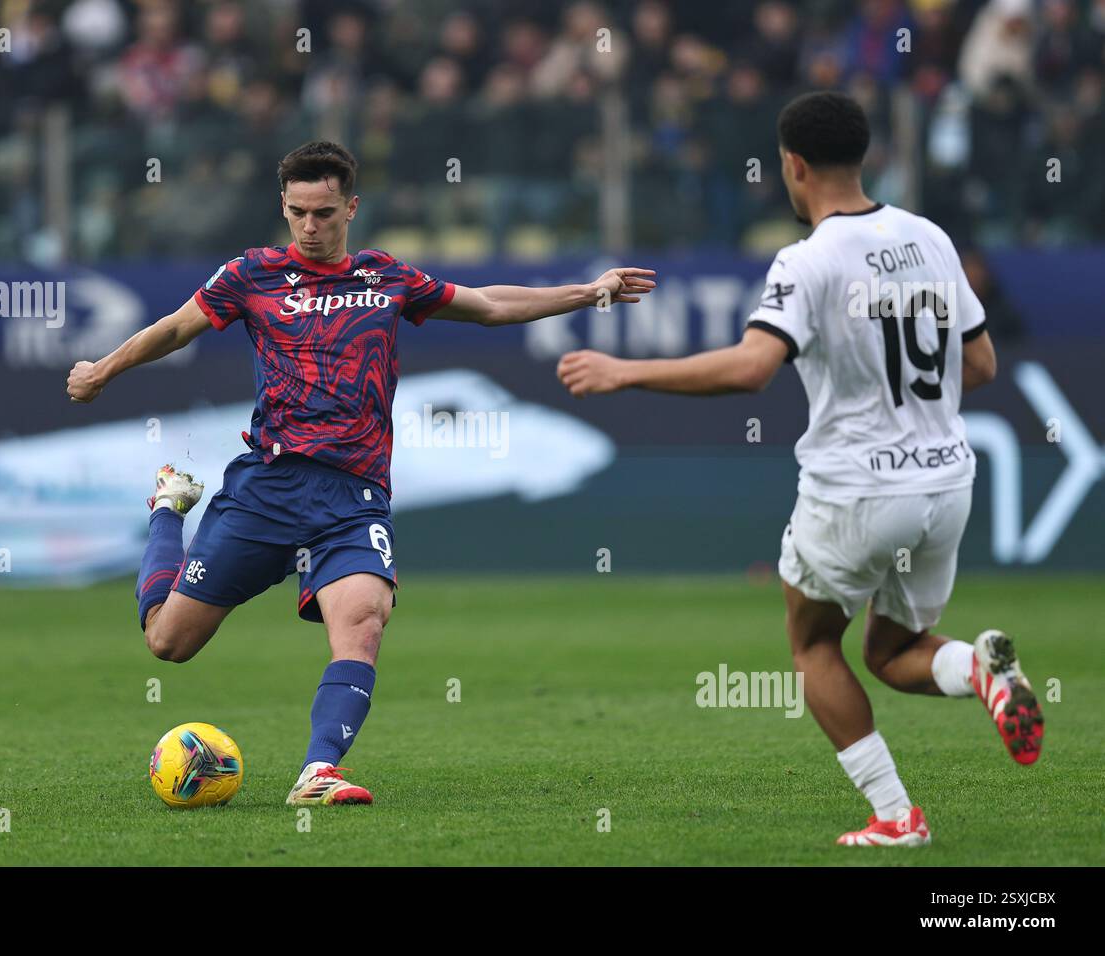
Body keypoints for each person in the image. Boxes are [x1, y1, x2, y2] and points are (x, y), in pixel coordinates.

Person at [67, 141, 655, 806]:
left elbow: (489, 303)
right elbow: (176, 329)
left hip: (353, 495)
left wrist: (589, 292)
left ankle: (317, 772)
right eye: (297, 213)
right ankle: (167, 511)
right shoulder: (250, 275)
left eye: (323, 213)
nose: (310, 227)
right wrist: (102, 370)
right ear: (283, 207)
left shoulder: (387, 278)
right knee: (168, 644)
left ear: (351, 207)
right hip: (267, 486)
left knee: (365, 621)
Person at [556, 91, 1042, 846]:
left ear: (793, 165)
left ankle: (895, 816)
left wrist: (626, 372)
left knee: (814, 646)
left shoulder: (808, 260)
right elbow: (979, 362)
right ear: (866, 154)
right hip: (945, 482)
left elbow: (752, 368)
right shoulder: (932, 239)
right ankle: (981, 670)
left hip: (855, 488)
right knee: (892, 652)